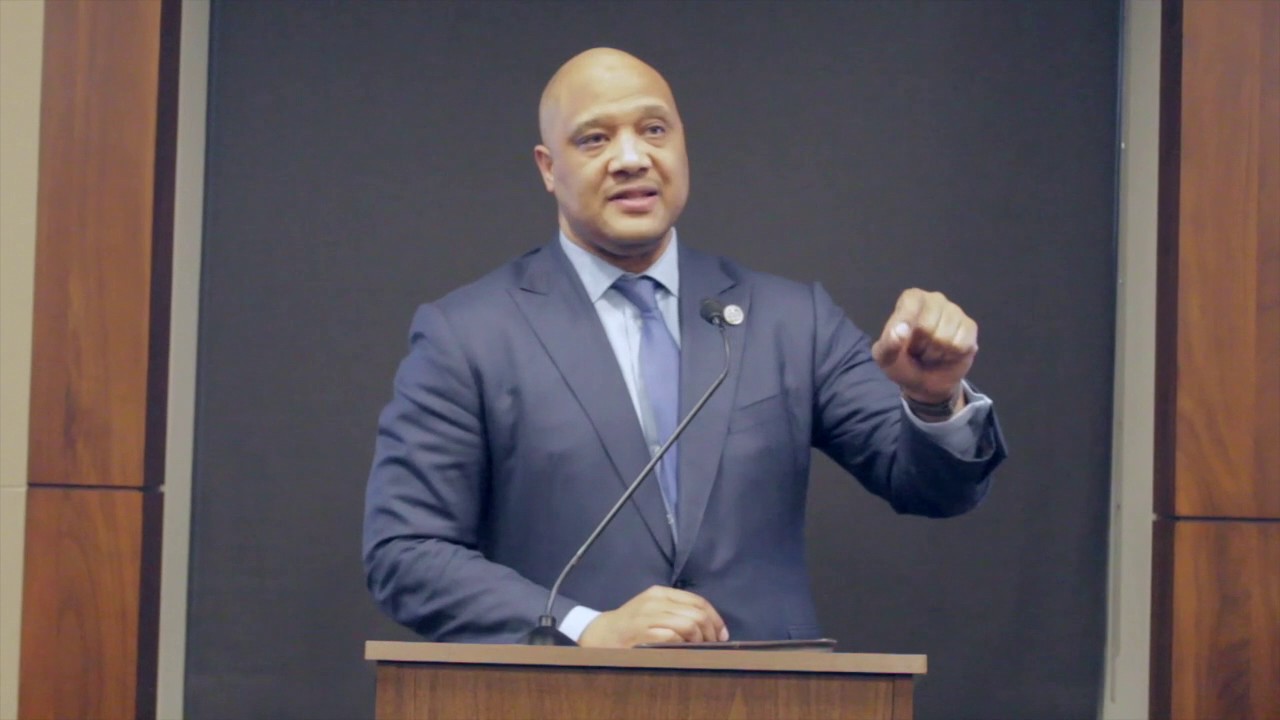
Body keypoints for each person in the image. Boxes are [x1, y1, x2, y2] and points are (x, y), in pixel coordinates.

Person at [363, 47, 1006, 648]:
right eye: (594, 138)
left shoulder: (788, 320)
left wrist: (933, 402)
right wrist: (585, 627)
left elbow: (934, 489)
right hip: (562, 701)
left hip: (766, 705)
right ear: (547, 168)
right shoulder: (470, 334)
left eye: (654, 130)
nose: (631, 158)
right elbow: (406, 552)